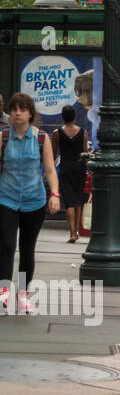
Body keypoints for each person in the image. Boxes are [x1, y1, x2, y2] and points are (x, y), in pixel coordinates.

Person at [0, 94, 61, 313]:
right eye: (14, 109)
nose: (17, 113)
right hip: (6, 197)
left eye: (22, 109)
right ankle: (4, 293)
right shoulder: (3, 137)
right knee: (6, 245)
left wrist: (55, 194)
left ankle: (23, 294)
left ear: (30, 113)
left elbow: (50, 169)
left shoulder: (41, 138)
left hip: (34, 200)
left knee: (27, 248)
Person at [55, 105, 89, 244]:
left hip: (65, 167)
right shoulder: (83, 132)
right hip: (79, 167)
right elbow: (85, 152)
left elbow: (53, 152)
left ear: (63, 117)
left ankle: (72, 233)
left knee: (69, 201)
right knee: (78, 200)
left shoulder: (57, 133)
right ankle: (77, 230)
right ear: (74, 116)